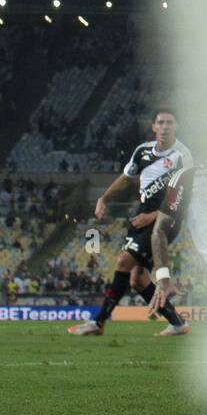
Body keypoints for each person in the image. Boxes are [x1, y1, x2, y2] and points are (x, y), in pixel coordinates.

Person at [68, 108, 192, 337]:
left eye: (170, 123)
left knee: (124, 260)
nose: (165, 127)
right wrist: (103, 199)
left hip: (165, 223)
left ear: (177, 127)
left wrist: (152, 215)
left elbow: (181, 202)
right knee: (137, 279)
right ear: (153, 126)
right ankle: (177, 323)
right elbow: (126, 179)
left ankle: (99, 322)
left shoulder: (183, 157)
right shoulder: (142, 152)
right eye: (161, 122)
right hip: (141, 217)